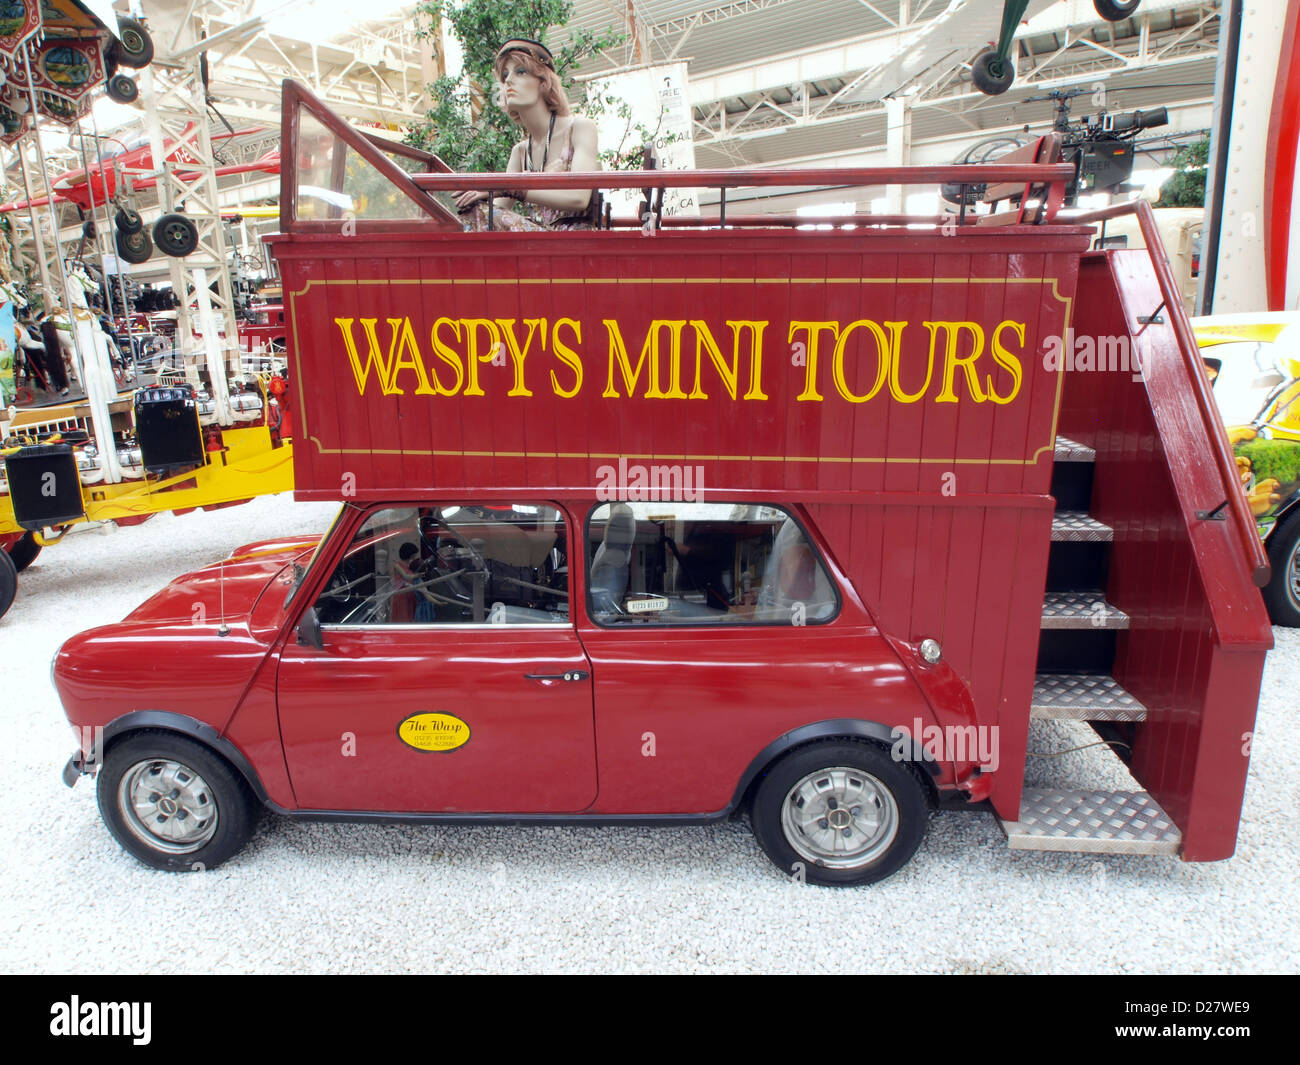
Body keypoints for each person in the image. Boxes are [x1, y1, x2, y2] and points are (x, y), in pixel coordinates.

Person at [456, 38, 601, 232]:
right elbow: (498, 208)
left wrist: (511, 188)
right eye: (505, 74)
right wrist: (482, 193)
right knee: (477, 211)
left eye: (521, 72)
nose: (508, 80)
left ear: (543, 82)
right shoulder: (521, 151)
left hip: (577, 246)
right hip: (536, 245)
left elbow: (579, 197)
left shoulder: (580, 128)